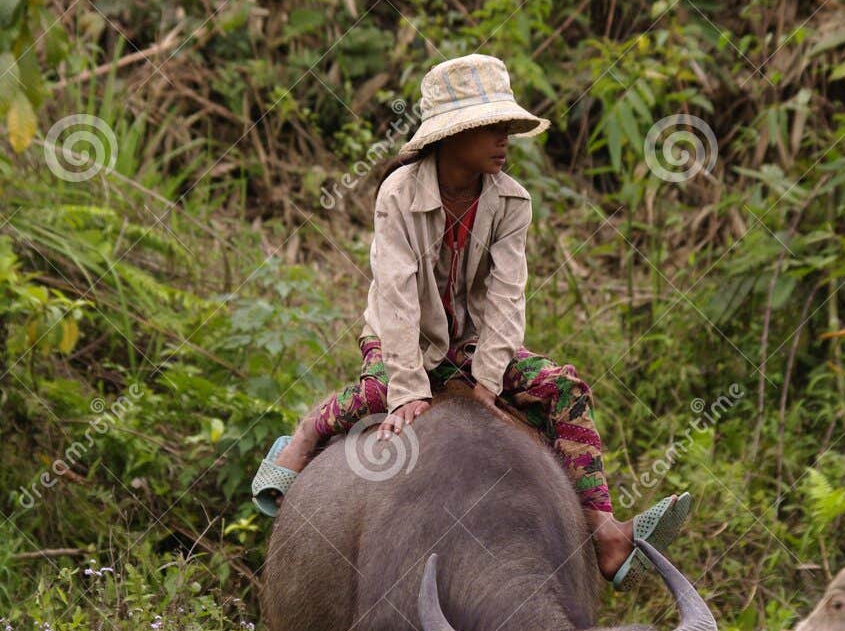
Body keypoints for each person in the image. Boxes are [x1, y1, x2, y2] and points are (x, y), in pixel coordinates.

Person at [251, 53, 690, 585]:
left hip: (474, 345)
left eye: (507, 127)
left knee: (564, 388)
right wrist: (410, 388)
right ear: (454, 135)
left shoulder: (511, 201)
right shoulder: (399, 194)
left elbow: (508, 296)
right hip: (401, 338)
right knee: (378, 395)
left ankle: (603, 530)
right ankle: (304, 435)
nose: (505, 138)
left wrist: (487, 380)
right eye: (493, 128)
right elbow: (395, 295)